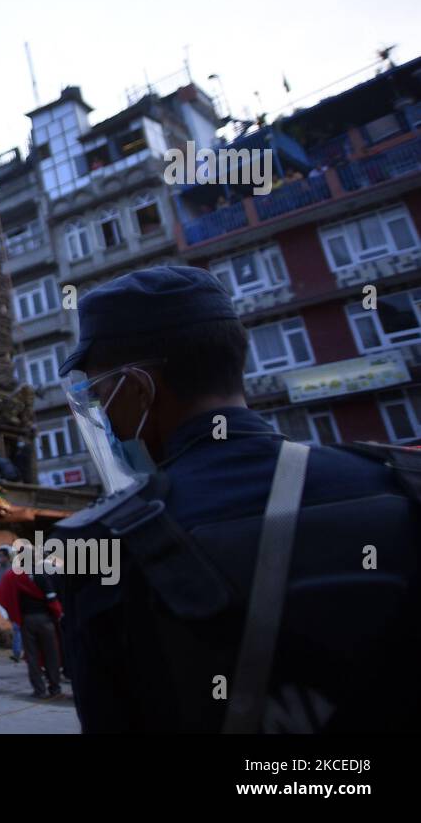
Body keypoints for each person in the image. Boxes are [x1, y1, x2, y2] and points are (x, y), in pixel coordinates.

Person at [54, 265, 420, 732]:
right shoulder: (402, 487)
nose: (106, 416)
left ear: (140, 390)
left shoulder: (107, 545)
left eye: (102, 395)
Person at [0, 544, 63, 699]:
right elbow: (52, 598)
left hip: (27, 620)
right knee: (51, 654)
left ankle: (39, 690)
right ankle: (55, 688)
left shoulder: (13, 575)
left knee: (32, 656)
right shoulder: (43, 573)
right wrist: (57, 614)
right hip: (46, 619)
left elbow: (1, 595)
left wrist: (15, 615)